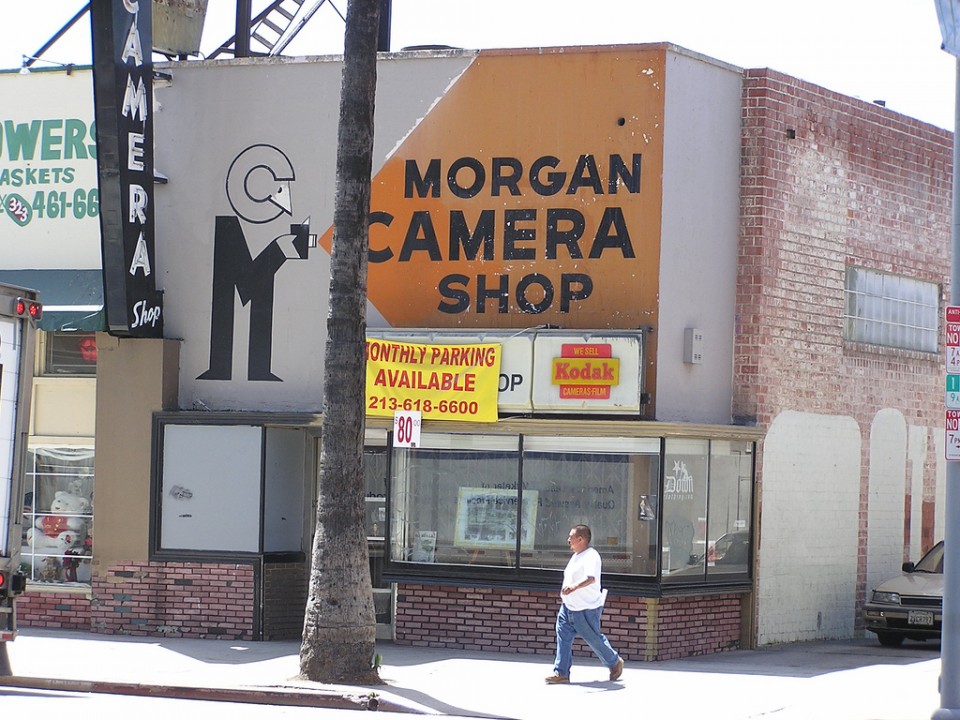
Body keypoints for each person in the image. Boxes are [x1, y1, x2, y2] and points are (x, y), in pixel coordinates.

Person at [546, 524, 624, 684]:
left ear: (581, 539)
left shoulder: (591, 556)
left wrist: (574, 587)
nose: (568, 540)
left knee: (594, 639)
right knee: (563, 637)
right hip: (568, 607)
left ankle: (614, 662)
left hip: (585, 609)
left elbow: (591, 578)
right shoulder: (576, 556)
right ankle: (561, 672)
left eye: (571, 537)